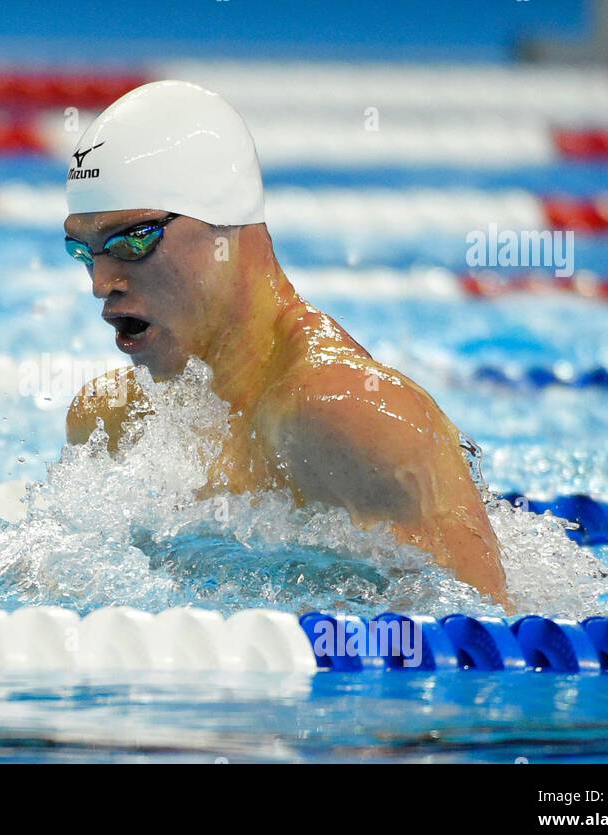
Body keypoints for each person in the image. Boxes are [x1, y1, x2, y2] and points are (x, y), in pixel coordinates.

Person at [62, 80, 507, 604]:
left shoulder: (347, 418)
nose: (101, 283)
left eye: (133, 240)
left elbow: (480, 639)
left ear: (226, 229)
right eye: (84, 251)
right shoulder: (113, 419)